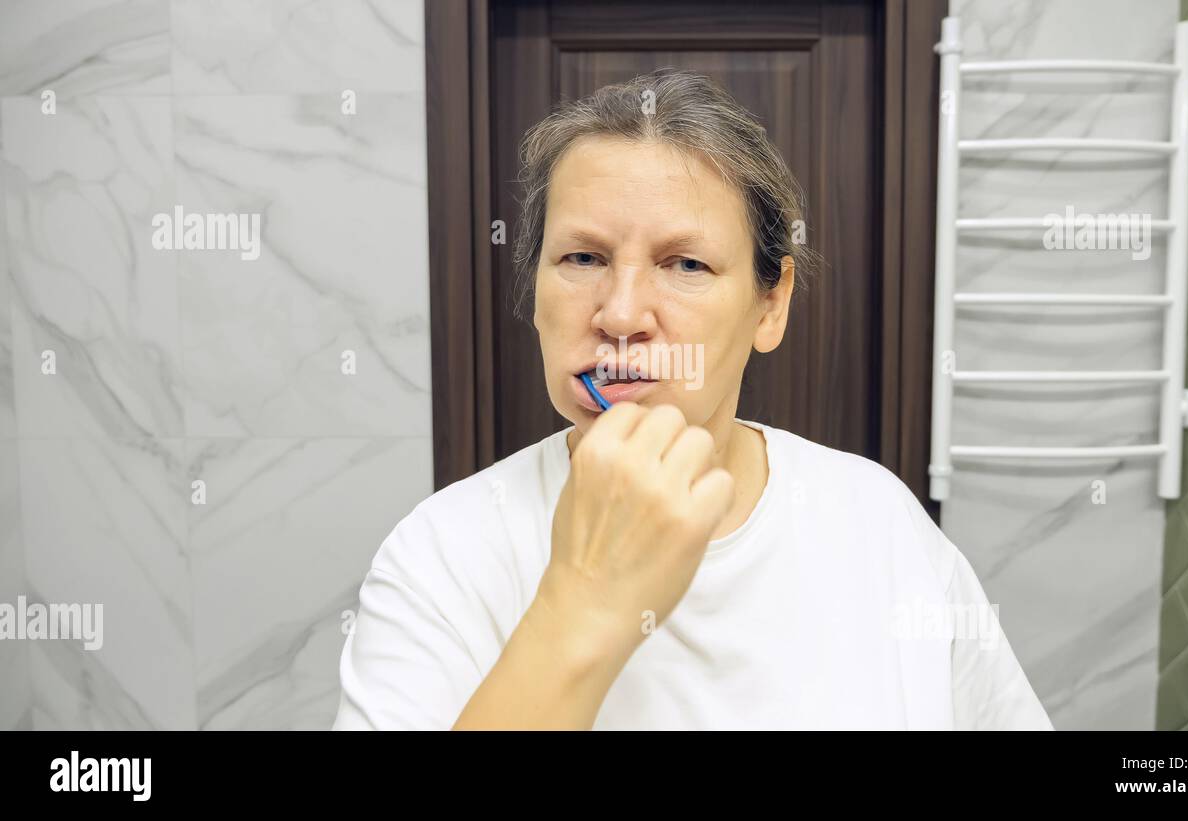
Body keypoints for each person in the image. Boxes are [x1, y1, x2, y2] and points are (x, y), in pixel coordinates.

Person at [332, 69, 1053, 730]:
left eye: (685, 263)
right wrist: (583, 605)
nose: (619, 314)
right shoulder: (440, 558)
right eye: (582, 258)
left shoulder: (881, 524)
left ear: (771, 305)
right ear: (536, 293)